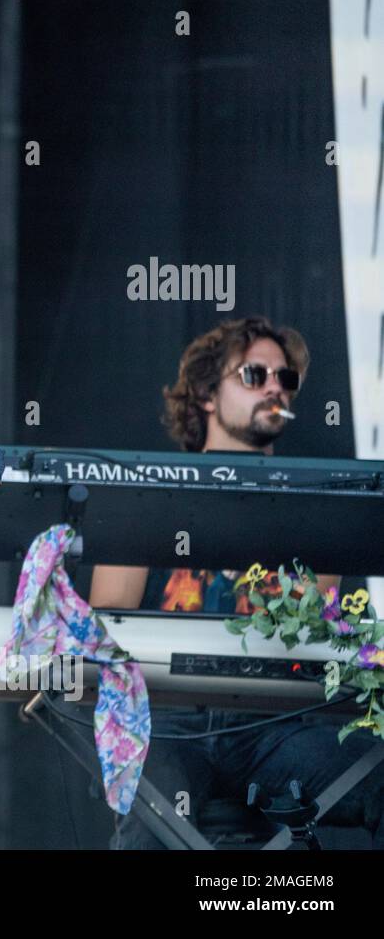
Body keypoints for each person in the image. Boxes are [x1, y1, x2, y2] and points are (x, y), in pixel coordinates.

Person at [90, 316, 383, 848]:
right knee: (149, 818)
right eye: (254, 375)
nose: (275, 386)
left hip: (274, 728)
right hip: (168, 725)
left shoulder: (316, 510)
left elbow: (309, 636)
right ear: (205, 395)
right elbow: (104, 631)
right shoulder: (145, 498)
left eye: (284, 379)